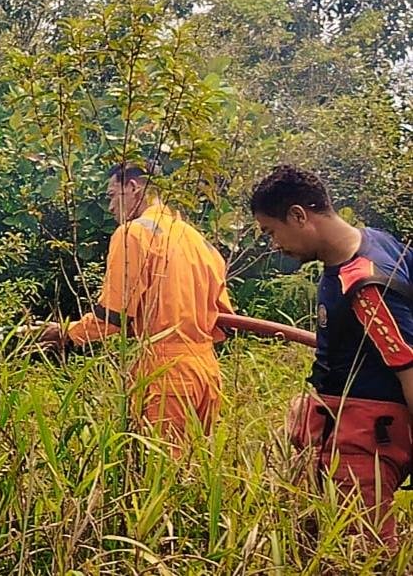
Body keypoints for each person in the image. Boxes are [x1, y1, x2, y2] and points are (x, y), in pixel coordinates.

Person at [250, 164, 413, 547]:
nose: (274, 244)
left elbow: (409, 367)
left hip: (364, 445)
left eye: (271, 231)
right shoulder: (376, 241)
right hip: (345, 431)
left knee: (364, 554)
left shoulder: (364, 283)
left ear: (298, 216)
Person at [38, 162, 234, 450]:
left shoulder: (133, 234)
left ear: (132, 187)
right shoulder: (199, 241)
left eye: (111, 196)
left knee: (161, 468)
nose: (110, 207)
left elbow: (112, 317)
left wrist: (66, 333)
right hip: (207, 371)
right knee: (195, 465)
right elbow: (224, 322)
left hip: (166, 373)